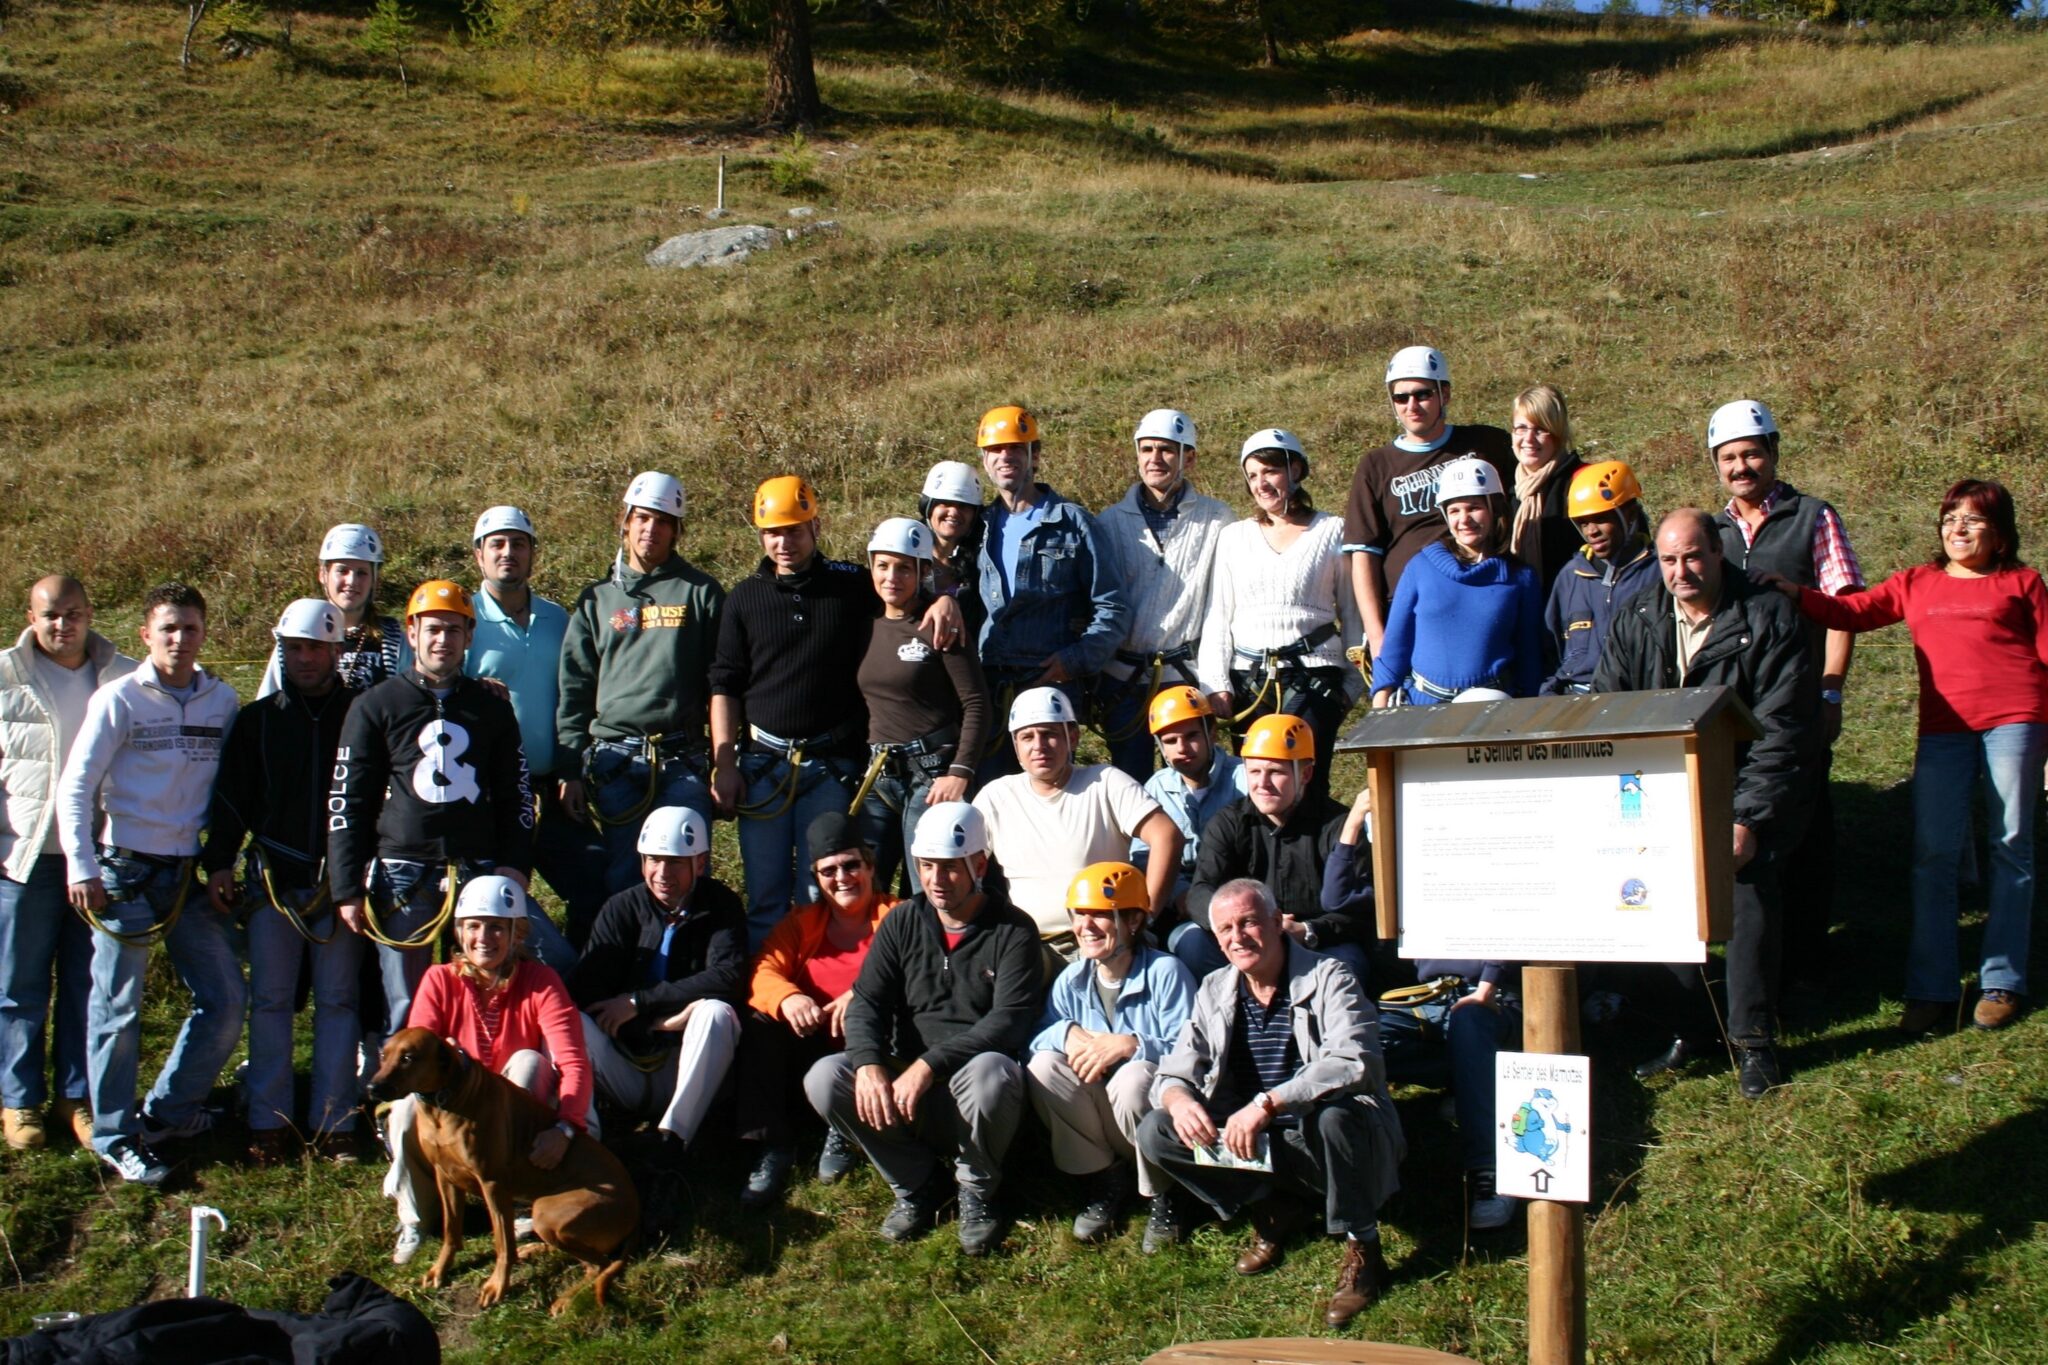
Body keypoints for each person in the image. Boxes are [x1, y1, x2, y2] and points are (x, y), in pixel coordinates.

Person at [1757, 479, 2047, 1033]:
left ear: (2001, 533)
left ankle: (2002, 981)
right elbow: (1854, 611)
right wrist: (1796, 593)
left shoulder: (2023, 583)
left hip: (2017, 721)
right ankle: (1932, 988)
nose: (1958, 528)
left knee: (2011, 846)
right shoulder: (1919, 583)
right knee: (1933, 855)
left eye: (1973, 519)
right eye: (1950, 518)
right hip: (1944, 731)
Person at [1593, 509, 1819, 1098]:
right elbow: (1611, 714)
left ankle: (1753, 1042)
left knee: (1745, 894)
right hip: (1658, 790)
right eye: (1669, 560)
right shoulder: (1636, 618)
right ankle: (1693, 1026)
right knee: (1633, 899)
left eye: (1693, 557)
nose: (1681, 571)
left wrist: (1747, 818)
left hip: (1745, 789)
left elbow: (1784, 732)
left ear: (1719, 553)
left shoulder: (1767, 618)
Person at [1137, 879, 1404, 1329]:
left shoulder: (1330, 976)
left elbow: (1356, 1061)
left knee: (1335, 1116)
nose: (1237, 937)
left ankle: (1364, 1248)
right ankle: (1273, 1206)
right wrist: (1178, 1098)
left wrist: (1269, 1102)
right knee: (1157, 1131)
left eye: (1249, 922)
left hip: (1332, 1139)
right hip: (1258, 1145)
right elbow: (1174, 1068)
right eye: (1225, 929)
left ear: (1278, 923)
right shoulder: (1214, 989)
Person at [711, 478, 957, 951]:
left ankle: (826, 997)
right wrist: (724, 764)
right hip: (763, 764)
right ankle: (773, 1005)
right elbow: (725, 683)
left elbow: (902, 593)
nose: (784, 543)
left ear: (815, 526)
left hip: (830, 767)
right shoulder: (743, 599)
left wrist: (944, 597)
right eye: (772, 533)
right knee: (764, 897)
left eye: (795, 531)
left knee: (822, 893)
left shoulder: (849, 586)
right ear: (760, 536)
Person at [55, 583, 241, 1186]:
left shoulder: (222, 701)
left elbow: (229, 797)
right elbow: (77, 786)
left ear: (204, 633)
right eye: (168, 629)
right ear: (145, 636)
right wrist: (81, 865)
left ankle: (170, 1111)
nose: (179, 640)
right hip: (124, 872)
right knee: (117, 1010)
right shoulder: (120, 699)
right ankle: (113, 1134)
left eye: (190, 628)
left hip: (187, 873)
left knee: (224, 1000)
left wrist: (221, 861)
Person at [330, 580, 563, 1061]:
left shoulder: (491, 707)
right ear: (412, 632)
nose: (443, 640)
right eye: (433, 629)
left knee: (488, 997)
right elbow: (349, 801)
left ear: (469, 636)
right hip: (402, 872)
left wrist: (515, 866)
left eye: (453, 630)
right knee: (407, 1008)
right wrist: (346, 885)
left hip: (479, 870)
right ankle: (401, 1118)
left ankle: (484, 1106)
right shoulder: (375, 705)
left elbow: (516, 795)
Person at [804, 802, 1042, 1256]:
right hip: (904, 1087)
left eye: (950, 868)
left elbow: (1009, 1020)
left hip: (973, 1087)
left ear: (978, 864)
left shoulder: (1013, 930)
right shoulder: (902, 921)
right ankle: (917, 1184)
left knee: (992, 1071)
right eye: (926, 866)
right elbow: (868, 1001)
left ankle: (977, 1188)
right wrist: (870, 1064)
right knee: (825, 1077)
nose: (936, 880)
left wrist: (930, 1065)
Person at [1710, 400, 1865, 1002]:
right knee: (1746, 833)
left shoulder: (1811, 517)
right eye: (1729, 458)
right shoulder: (1714, 531)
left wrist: (1831, 688)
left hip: (1796, 698)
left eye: (1752, 453)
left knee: (1806, 834)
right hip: (1732, 708)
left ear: (1774, 452)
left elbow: (1844, 608)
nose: (1742, 466)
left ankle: (1806, 962)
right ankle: (1755, 966)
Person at [200, 600, 365, 1164]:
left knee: (339, 1001)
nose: (305, 659)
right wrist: (219, 860)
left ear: (336, 652)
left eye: (316, 647)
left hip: (340, 882)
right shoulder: (258, 720)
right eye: (294, 648)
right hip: (274, 879)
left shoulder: (362, 716)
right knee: (270, 1002)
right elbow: (232, 801)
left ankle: (336, 1118)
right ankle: (267, 1118)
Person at [1321, 784, 1520, 1230]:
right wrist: (1354, 821)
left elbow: (1514, 915)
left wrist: (1488, 984)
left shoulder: (1489, 861)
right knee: (1362, 1034)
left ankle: (1490, 1171)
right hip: (1430, 1000)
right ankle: (1379, 1151)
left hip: (1496, 1000)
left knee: (1469, 1020)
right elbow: (1335, 900)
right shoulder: (1413, 878)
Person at [383, 874, 593, 1267]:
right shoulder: (439, 980)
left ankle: (517, 1201)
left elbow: (573, 1059)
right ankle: (417, 1217)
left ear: (517, 934)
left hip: (513, 1115)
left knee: (529, 1062)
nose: (485, 937)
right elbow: (418, 1050)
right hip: (456, 1114)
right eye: (474, 926)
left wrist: (567, 1126)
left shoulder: (541, 982)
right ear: (460, 932)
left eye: (497, 927)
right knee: (407, 1108)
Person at [1, 576, 135, 1151]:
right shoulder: (6, 677)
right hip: (25, 855)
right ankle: (19, 1101)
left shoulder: (123, 674)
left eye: (74, 613)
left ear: (90, 613)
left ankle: (75, 1096)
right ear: (31, 617)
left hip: (98, 857)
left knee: (88, 984)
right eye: (51, 615)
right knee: (19, 987)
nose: (64, 625)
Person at [557, 471, 725, 897]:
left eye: (664, 521)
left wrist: (726, 757)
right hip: (616, 759)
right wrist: (569, 768)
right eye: (644, 518)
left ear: (677, 530)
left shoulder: (700, 592)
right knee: (624, 877)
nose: (652, 529)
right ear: (626, 520)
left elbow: (723, 682)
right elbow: (574, 687)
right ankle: (630, 963)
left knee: (687, 875)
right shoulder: (597, 599)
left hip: (682, 756)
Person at [567, 806, 747, 1172]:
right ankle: (587, 1144)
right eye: (653, 860)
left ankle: (672, 1141)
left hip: (687, 1069)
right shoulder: (621, 908)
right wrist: (655, 1021)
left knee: (715, 1013)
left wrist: (639, 1001)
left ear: (700, 863)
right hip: (625, 1064)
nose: (662, 874)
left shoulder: (722, 904)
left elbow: (728, 975)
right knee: (569, 1020)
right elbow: (587, 992)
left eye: (675, 863)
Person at [1025, 862, 1196, 1247]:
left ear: (1134, 920)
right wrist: (1064, 1033)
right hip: (1102, 1115)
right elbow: (1032, 1040)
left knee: (1135, 1076)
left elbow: (1196, 1053)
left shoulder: (1168, 972)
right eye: (1079, 914)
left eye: (1101, 915)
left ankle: (1165, 1192)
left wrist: (1134, 1044)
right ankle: (1104, 1180)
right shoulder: (1071, 978)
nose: (1086, 926)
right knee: (1044, 1065)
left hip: (1152, 1120)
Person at [733, 811, 897, 1208]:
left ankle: (844, 1124)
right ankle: (774, 1145)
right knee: (759, 1021)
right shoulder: (802, 922)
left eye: (851, 866)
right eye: (829, 871)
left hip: (871, 1048)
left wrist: (863, 995)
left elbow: (916, 974)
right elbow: (764, 969)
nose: (842, 878)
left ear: (870, 867)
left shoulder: (897, 916)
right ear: (817, 878)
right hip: (811, 1042)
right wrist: (789, 997)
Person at [466, 505, 607, 949]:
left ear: (533, 554)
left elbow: (575, 699)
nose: (509, 553)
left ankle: (583, 992)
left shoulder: (557, 619)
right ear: (479, 555)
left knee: (597, 885)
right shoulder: (459, 619)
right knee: (482, 905)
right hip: (487, 794)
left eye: (519, 544)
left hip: (549, 787)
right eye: (498, 545)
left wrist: (570, 771)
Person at [1196, 428, 1362, 803]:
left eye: (1269, 471)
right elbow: (1218, 615)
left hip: (1314, 676)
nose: (1261, 484)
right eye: (1252, 475)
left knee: (1309, 785)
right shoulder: (1234, 537)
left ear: (1296, 470)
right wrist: (1216, 683)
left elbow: (1352, 612)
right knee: (1256, 789)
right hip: (1249, 681)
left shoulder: (1332, 530)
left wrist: (1351, 687)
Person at [973, 404, 1128, 778]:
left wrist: (1074, 661)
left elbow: (1113, 606)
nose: (1005, 456)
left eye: (1016, 448)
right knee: (995, 804)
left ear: (1035, 455)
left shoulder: (1073, 523)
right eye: (996, 449)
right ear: (984, 459)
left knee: (1053, 796)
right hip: (989, 686)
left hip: (1049, 683)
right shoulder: (977, 527)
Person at [972, 687, 1181, 958]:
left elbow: (1167, 836)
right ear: (1016, 746)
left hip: (1105, 942)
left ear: (1072, 737)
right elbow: (963, 863)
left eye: (1049, 734)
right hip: (1027, 946)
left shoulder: (1105, 782)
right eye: (1027, 737)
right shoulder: (995, 796)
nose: (1039, 745)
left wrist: (1145, 914)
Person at [1343, 345, 1514, 661]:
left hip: (1486, 593)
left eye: (1422, 394)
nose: (1412, 405)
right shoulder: (1376, 465)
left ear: (1444, 394)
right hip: (1412, 607)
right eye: (1401, 397)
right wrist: (1378, 635)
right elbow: (1363, 556)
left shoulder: (1487, 443)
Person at [1093, 409, 1234, 781]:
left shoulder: (1217, 520)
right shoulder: (1109, 523)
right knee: (1132, 783)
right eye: (1147, 449)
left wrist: (1216, 679)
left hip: (1187, 673)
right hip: (1125, 679)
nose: (1155, 459)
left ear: (1189, 457)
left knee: (1198, 779)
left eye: (1167, 450)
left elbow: (1223, 605)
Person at [855, 517, 990, 895]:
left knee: (927, 889)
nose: (891, 577)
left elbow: (976, 702)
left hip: (932, 777)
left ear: (923, 571)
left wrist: (961, 771)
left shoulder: (939, 623)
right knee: (868, 891)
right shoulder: (865, 625)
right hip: (879, 778)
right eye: (882, 566)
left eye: (903, 567)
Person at [1177, 715, 1368, 979]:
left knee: (1345, 966)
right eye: (1254, 772)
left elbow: (1361, 911)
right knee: (1192, 944)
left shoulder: (1339, 827)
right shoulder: (1227, 822)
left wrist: (1307, 930)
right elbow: (1200, 891)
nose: (1262, 784)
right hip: (1244, 937)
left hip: (1317, 942)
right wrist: (1237, 925)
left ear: (1306, 773)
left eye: (1275, 772)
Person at [1371, 456, 1544, 707]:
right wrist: (1380, 707)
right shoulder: (1420, 567)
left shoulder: (1521, 578)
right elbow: (1395, 647)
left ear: (1494, 507)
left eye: (1474, 507)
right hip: (1422, 708)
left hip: (1493, 710)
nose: (1464, 520)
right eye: (1454, 510)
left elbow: (1530, 658)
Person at [1539, 461, 1657, 695]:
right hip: (1576, 701)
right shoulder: (1570, 577)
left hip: (1638, 698)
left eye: (1601, 518)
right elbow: (1550, 649)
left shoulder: (1659, 572)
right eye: (1583, 522)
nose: (1591, 531)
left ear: (1630, 513)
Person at [1131, 687, 1245, 924]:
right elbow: (1141, 855)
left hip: (1238, 898)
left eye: (1191, 736)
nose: (1182, 748)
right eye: (1171, 741)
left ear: (1211, 734)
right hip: (1176, 905)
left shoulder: (1243, 780)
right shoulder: (1156, 788)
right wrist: (1179, 894)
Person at [258, 523, 410, 697]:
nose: (352, 581)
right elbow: (269, 706)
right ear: (323, 575)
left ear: (375, 580)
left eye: (362, 573)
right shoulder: (296, 633)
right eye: (342, 571)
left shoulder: (393, 640)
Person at [1506, 383, 1589, 599]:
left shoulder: (1583, 483)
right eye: (1521, 428)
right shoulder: (1507, 493)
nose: (1528, 439)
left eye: (1540, 429)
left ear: (1558, 434)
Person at [919, 460, 987, 640]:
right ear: (928, 507)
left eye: (963, 506)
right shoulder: (907, 556)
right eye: (945, 503)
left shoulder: (983, 562)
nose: (954, 512)